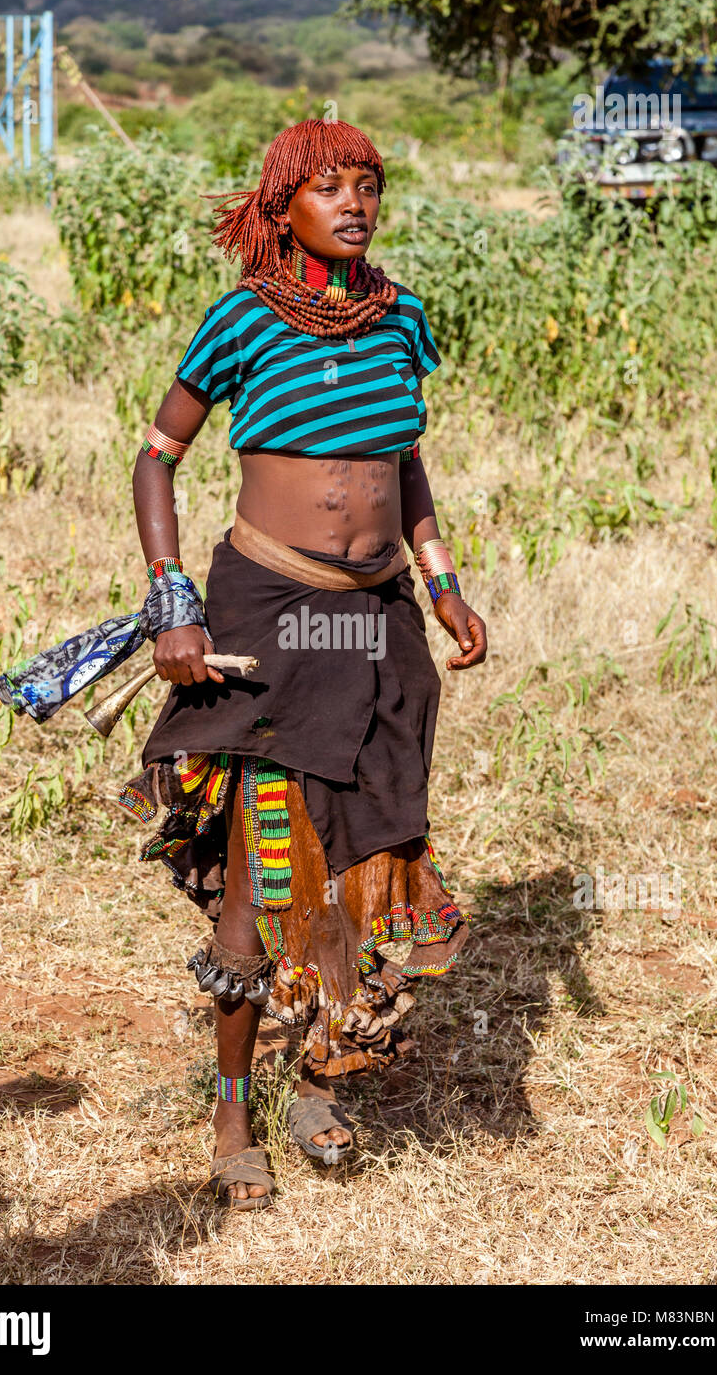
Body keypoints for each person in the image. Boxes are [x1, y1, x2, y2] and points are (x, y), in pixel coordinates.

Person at [121, 118, 487, 1210]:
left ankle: (324, 1066)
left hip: (376, 624)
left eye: (367, 186)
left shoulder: (398, 315)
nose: (354, 202)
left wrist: (440, 578)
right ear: (281, 205)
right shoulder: (242, 319)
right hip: (268, 613)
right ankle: (234, 1106)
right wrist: (171, 597)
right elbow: (157, 454)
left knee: (367, 855)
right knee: (264, 866)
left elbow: (400, 458)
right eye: (329, 187)